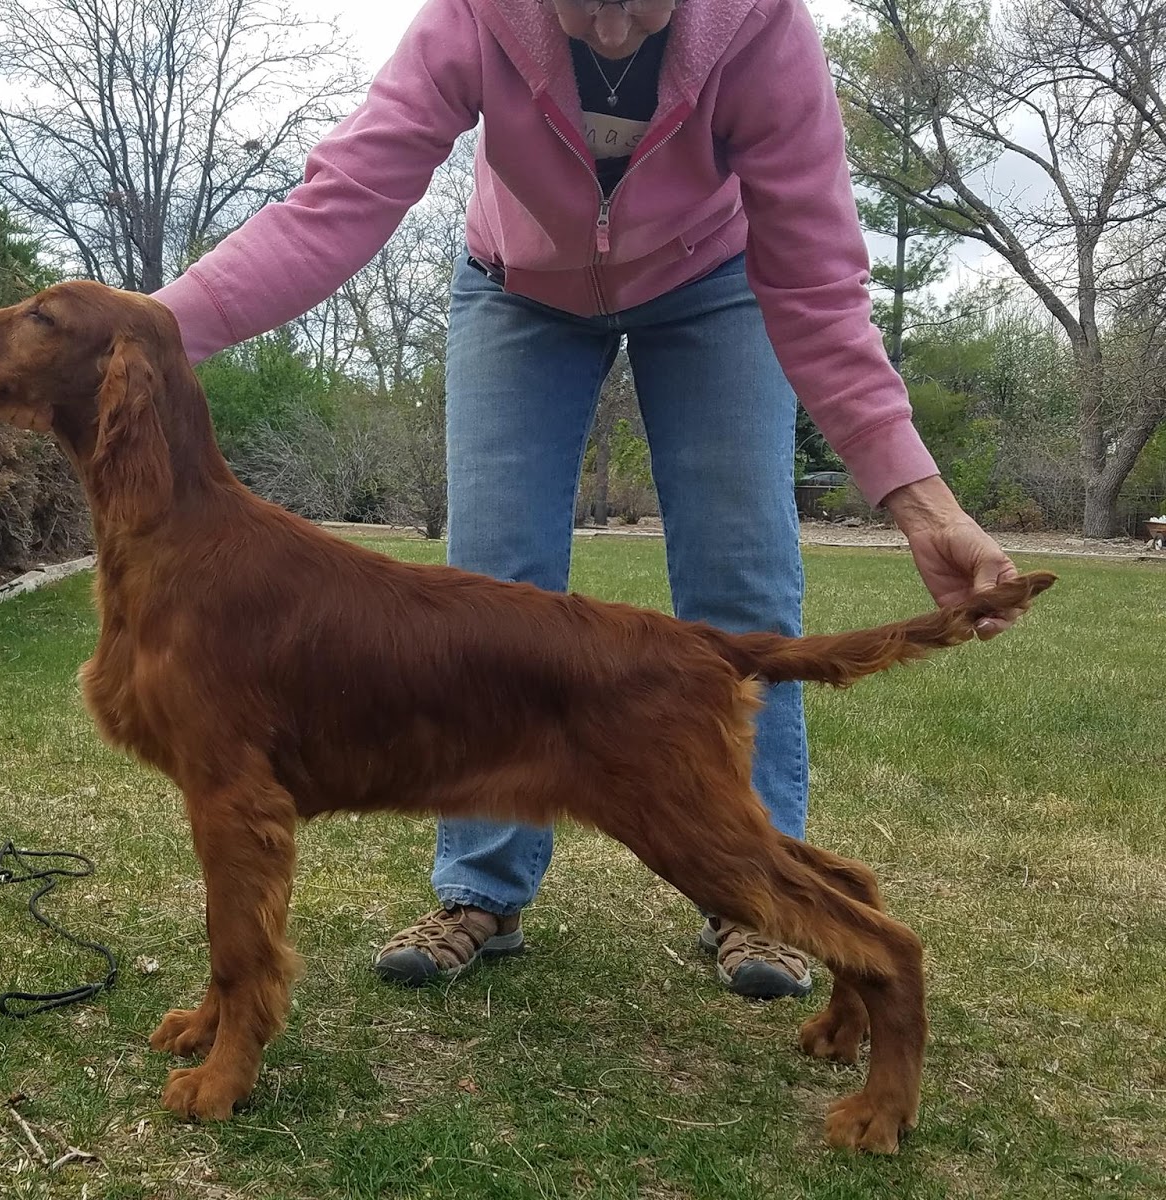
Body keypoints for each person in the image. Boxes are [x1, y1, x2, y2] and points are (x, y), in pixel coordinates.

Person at [153, 0, 1028, 1002]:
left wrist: (919, 500)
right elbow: (340, 201)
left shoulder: (763, 29)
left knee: (741, 587)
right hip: (516, 286)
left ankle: (758, 896)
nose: (611, 29)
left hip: (715, 282)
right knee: (485, 593)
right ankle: (482, 887)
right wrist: (140, 335)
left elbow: (820, 281)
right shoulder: (469, 20)